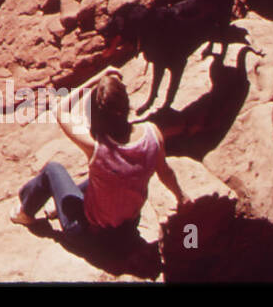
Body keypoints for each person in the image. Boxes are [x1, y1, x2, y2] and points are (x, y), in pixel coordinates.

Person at [10, 69, 189, 240]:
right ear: (126, 105)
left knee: (53, 169)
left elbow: (59, 110)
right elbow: (165, 172)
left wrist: (96, 79)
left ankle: (25, 213)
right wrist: (181, 197)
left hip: (86, 232)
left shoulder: (95, 145)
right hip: (127, 227)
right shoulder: (153, 134)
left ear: (94, 113)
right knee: (110, 177)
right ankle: (55, 206)